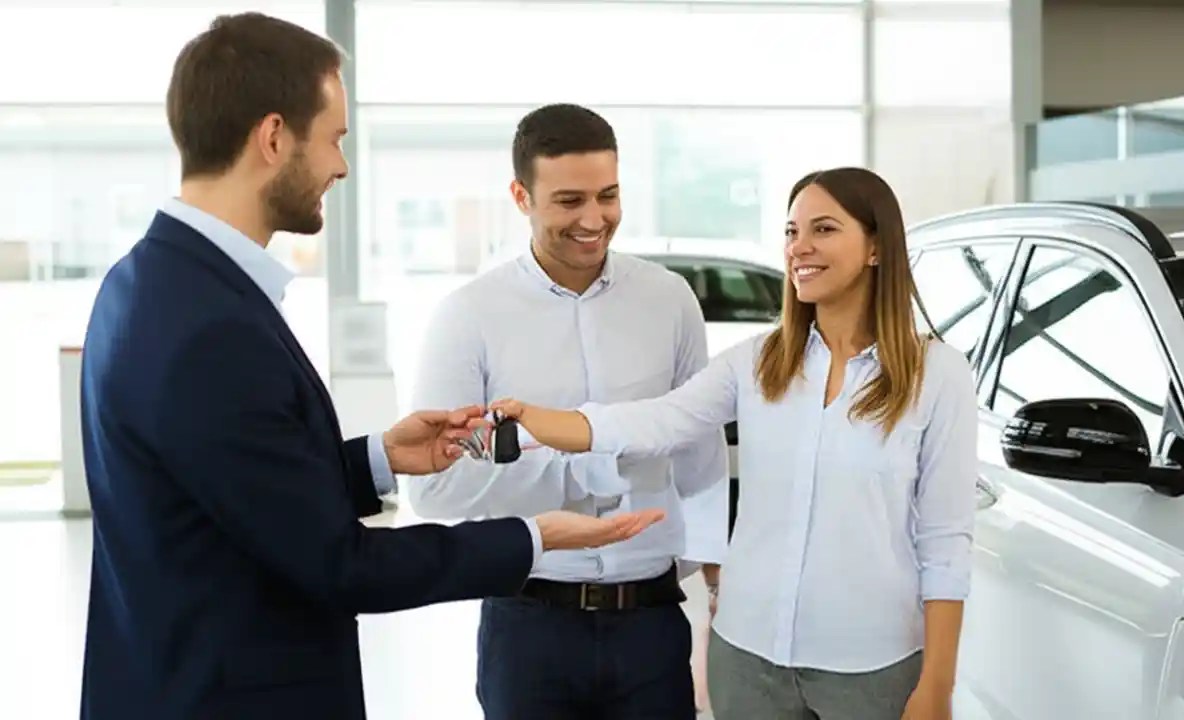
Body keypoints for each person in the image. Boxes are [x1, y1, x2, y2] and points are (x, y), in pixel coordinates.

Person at [77, 15, 662, 720]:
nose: (341, 166)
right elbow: (337, 565)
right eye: (334, 138)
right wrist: (534, 536)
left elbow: (243, 493)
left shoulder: (150, 281)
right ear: (272, 138)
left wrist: (378, 460)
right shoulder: (209, 325)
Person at [490, 167, 979, 720]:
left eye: (823, 230)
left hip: (871, 668)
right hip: (748, 663)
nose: (800, 248)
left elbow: (944, 543)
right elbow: (656, 422)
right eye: (792, 232)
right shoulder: (758, 362)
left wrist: (937, 683)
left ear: (875, 247)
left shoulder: (936, 375)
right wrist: (533, 419)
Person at [404, 102, 730, 720]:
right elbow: (436, 488)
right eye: (569, 201)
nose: (594, 219)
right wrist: (579, 471)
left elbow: (699, 451)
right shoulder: (468, 315)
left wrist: (716, 584)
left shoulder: (669, 300)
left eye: (607, 196)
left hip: (652, 623)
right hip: (529, 626)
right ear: (521, 195)